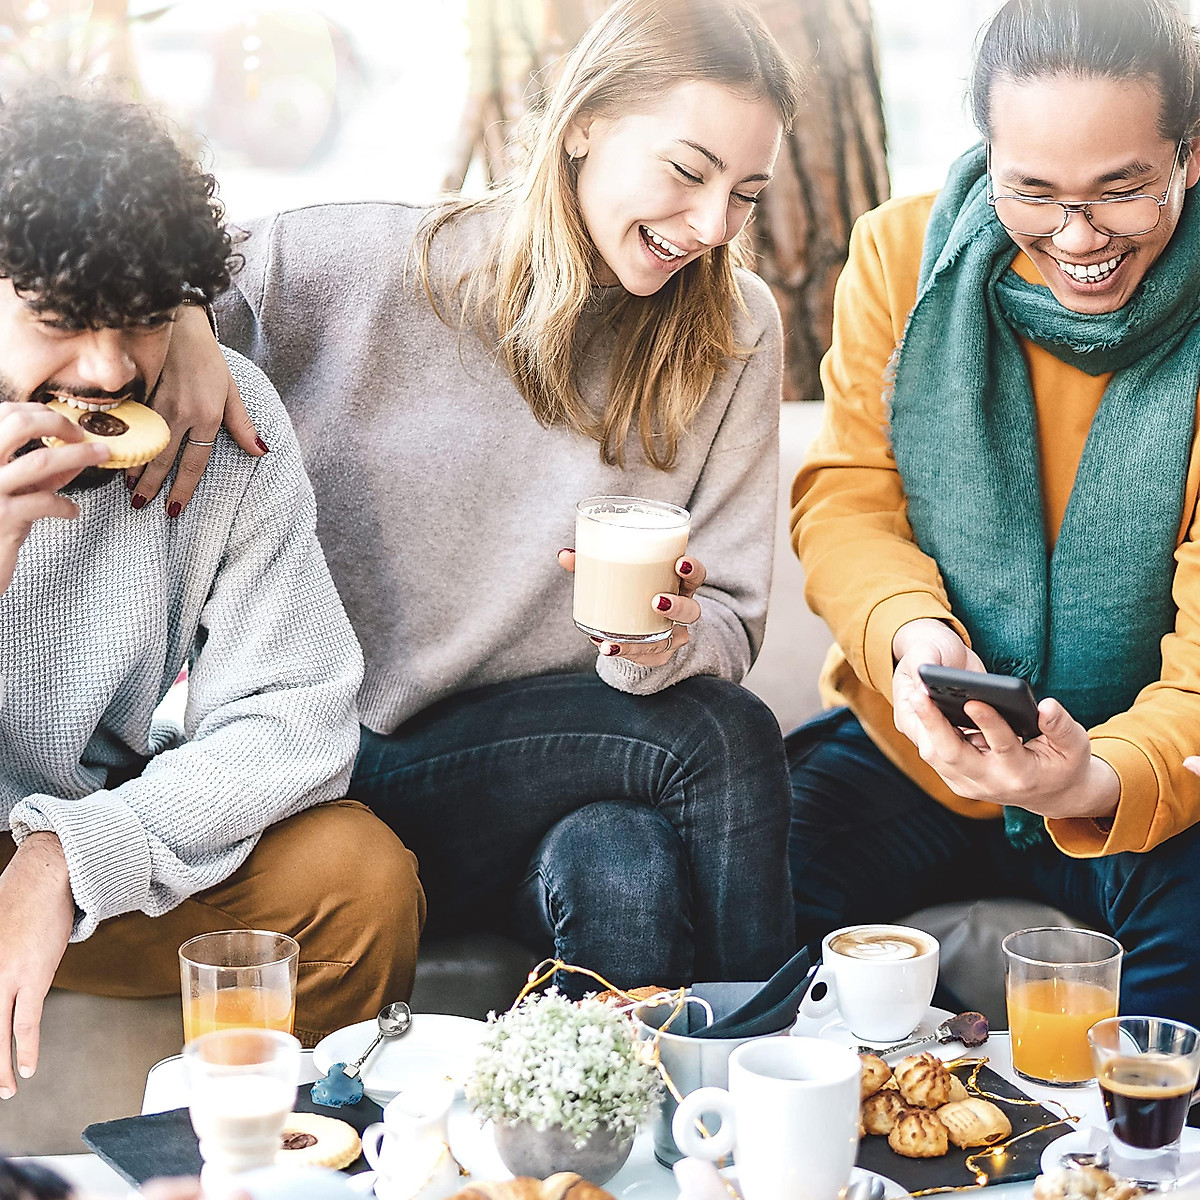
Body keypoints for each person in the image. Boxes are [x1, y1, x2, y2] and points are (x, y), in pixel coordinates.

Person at [146, 0, 801, 993]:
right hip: (350, 772)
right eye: (687, 171)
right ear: (585, 124)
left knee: (624, 864)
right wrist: (183, 321)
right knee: (720, 734)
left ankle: (596, 1143)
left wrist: (671, 644)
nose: (714, 228)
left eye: (746, 194)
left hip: (570, 779)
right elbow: (114, 284)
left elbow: (731, 625)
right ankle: (784, 1070)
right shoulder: (364, 268)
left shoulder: (735, 333)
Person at [0, 90, 425, 1103]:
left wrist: (70, 854)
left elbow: (295, 718)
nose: (108, 367)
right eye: (63, 321)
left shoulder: (214, 426)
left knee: (358, 879)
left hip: (85, 847)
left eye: (143, 318)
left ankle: (267, 1160)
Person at [789, 0, 1200, 1022]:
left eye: (1121, 192)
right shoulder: (897, 259)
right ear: (988, 155)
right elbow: (849, 501)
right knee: (752, 859)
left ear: (1189, 156)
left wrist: (1088, 779)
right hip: (919, 754)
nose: (1077, 237)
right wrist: (911, 638)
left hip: (1138, 774)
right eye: (1035, 192)